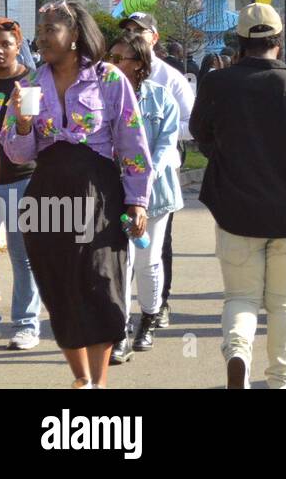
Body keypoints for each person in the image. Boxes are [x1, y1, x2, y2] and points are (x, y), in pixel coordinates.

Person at [189, 3, 286, 389]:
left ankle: (239, 351)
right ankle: (279, 380)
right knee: (284, 304)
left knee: (240, 298)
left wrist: (224, 155)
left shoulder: (216, 84)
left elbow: (200, 132)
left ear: (240, 43)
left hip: (236, 211)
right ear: (279, 42)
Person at [0, 2, 152, 389]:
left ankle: (97, 383)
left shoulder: (109, 79)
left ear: (75, 36)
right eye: (41, 28)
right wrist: (21, 122)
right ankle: (81, 378)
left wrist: (137, 201)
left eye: (51, 29)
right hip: (47, 195)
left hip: (100, 195)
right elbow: (17, 154)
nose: (43, 37)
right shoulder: (31, 83)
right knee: (59, 284)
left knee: (101, 283)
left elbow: (133, 143)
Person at [107, 31, 182, 359]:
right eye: (111, 58)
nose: (113, 64)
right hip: (115, 193)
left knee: (147, 261)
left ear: (139, 64)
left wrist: (143, 178)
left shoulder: (161, 97)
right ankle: (119, 329)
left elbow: (167, 144)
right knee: (119, 262)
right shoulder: (103, 95)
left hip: (156, 193)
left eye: (120, 58)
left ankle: (148, 318)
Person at [118, 12, 193, 329]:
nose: (134, 34)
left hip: (159, 174)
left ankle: (158, 305)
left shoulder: (169, 80)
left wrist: (158, 147)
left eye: (140, 31)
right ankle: (120, 314)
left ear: (154, 37)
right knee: (123, 251)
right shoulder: (114, 77)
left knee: (157, 246)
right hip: (121, 178)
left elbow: (191, 125)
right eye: (129, 30)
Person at [0, 17, 41, 351]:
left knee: (24, 257)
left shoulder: (32, 81)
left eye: (5, 44)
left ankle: (25, 324)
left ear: (18, 44)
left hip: (24, 181)